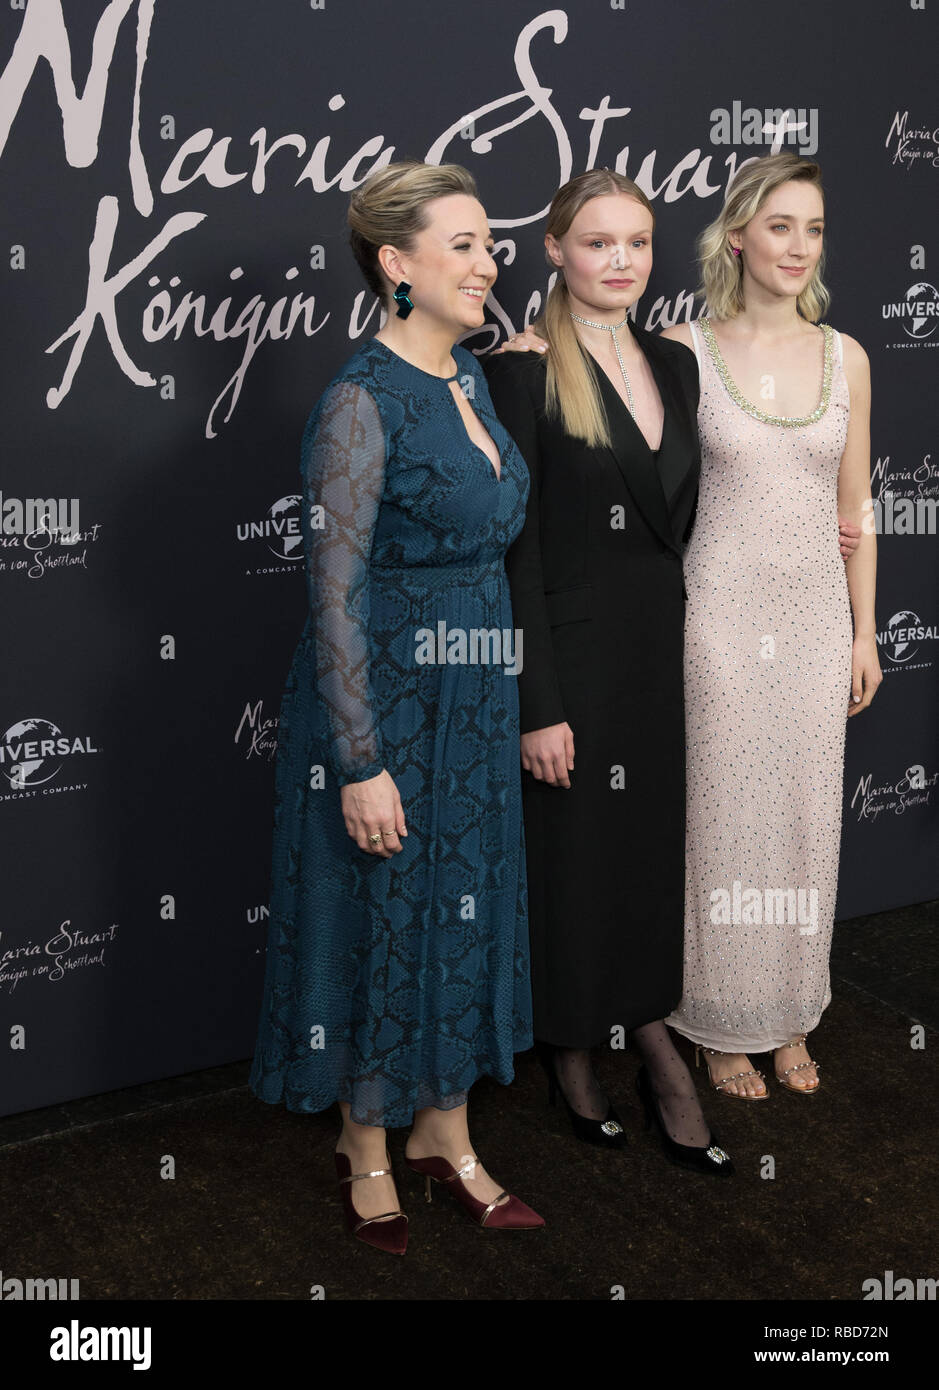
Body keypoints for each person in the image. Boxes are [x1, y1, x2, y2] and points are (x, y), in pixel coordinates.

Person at [249, 161, 544, 1253]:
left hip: (474, 695)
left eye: (489, 242)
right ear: (396, 265)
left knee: (461, 903)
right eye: (462, 244)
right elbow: (331, 595)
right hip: (385, 700)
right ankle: (366, 1142)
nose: (487, 261)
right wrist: (359, 758)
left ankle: (446, 1128)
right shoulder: (359, 401)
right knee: (377, 913)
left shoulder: (471, 380)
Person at [484, 170, 733, 1175]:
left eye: (636, 242)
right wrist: (536, 704)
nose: (621, 261)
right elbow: (519, 552)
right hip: (573, 661)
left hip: (660, 658)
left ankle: (648, 1029)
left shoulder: (676, 361)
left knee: (641, 856)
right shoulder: (518, 371)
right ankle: (573, 1045)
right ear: (554, 249)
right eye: (597, 243)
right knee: (575, 861)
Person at [659, 152, 880, 1098]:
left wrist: (865, 632)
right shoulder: (682, 348)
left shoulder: (847, 355)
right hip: (715, 616)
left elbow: (855, 511)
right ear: (737, 234)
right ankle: (717, 1022)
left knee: (800, 821)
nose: (798, 246)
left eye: (814, 228)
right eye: (780, 225)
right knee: (722, 820)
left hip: (816, 621)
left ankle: (789, 1010)